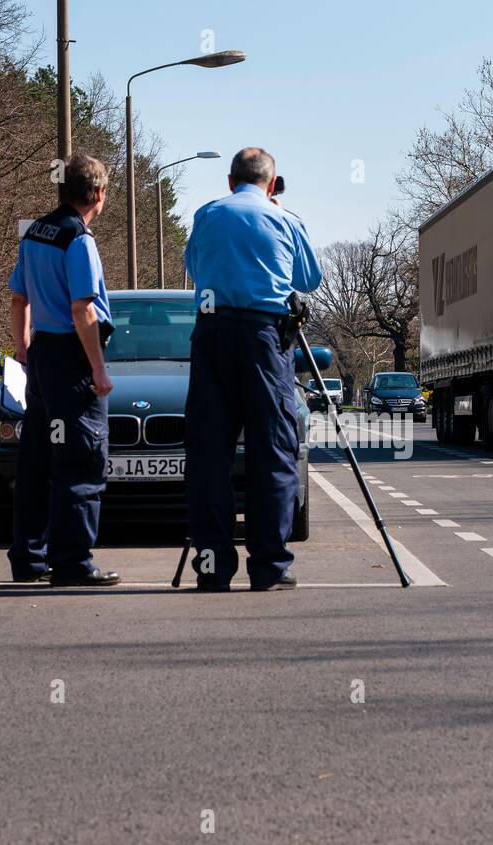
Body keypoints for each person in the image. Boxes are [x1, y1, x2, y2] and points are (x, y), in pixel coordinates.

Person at [183, 147, 322, 592]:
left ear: (229, 181)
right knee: (273, 452)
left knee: (208, 455)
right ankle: (269, 566)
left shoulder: (207, 214)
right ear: (271, 182)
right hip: (264, 338)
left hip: (212, 333)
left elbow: (193, 266)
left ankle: (211, 566)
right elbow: (309, 278)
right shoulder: (285, 219)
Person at [7, 152, 119, 587]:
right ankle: (73, 562)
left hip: (41, 361)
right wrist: (98, 369)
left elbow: (19, 299)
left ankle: (29, 560)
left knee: (37, 462)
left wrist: (23, 349)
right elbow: (82, 309)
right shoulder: (78, 239)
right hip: (72, 360)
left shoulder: (36, 232)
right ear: (98, 193)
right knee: (80, 460)